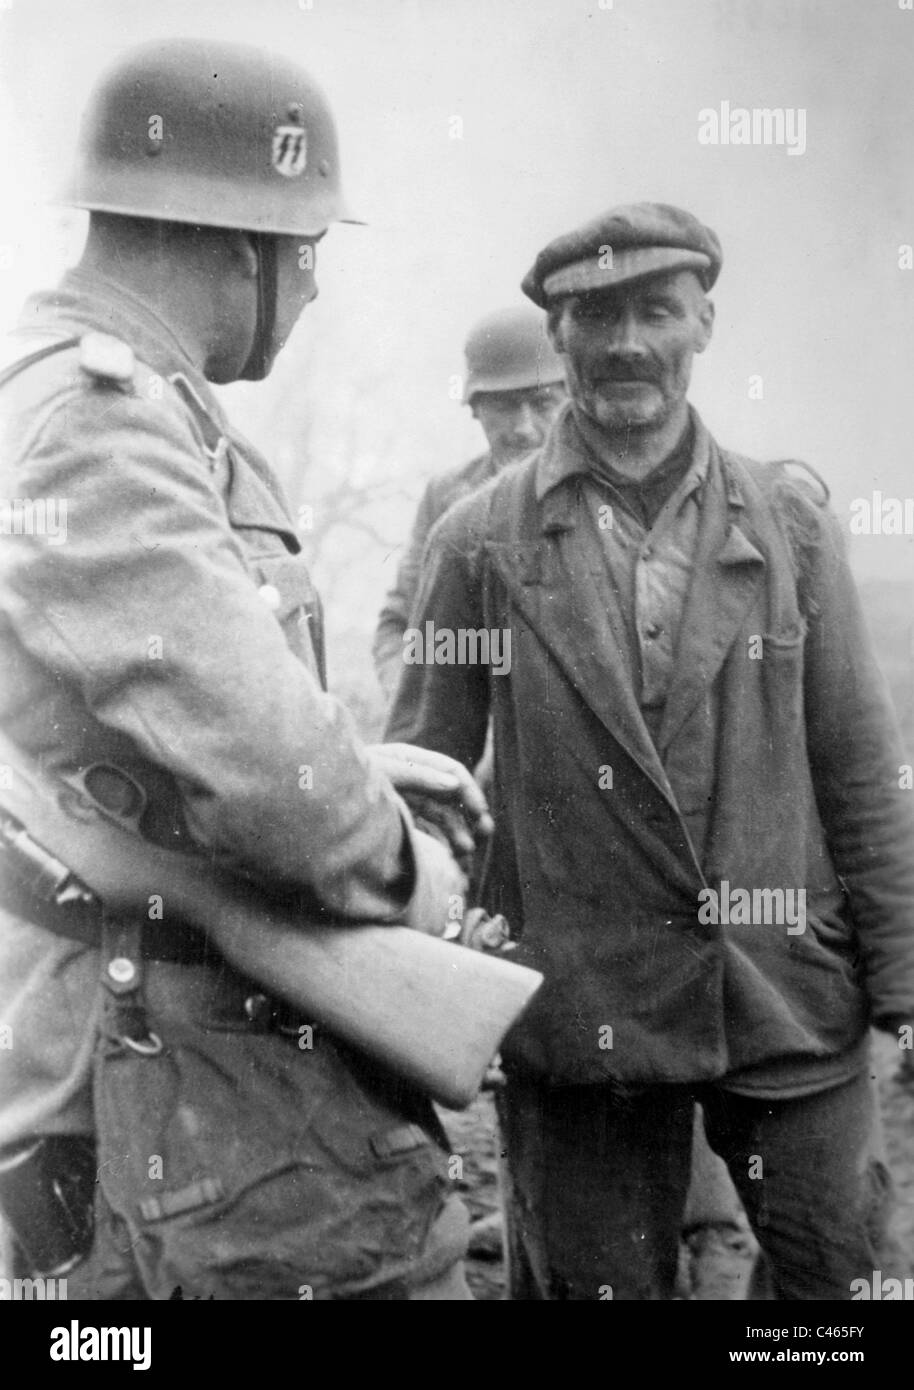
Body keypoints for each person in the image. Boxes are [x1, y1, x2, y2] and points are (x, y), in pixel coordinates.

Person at [0, 38, 491, 1301]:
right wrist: (408, 868)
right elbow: (278, 784)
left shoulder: (94, 405)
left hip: (163, 1063)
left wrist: (350, 758)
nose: (314, 287)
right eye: (306, 249)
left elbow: (121, 715)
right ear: (236, 243)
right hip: (180, 1089)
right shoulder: (99, 428)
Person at [385, 201, 914, 1300]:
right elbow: (421, 786)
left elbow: (859, 768)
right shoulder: (476, 543)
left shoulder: (792, 528)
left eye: (655, 311)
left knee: (835, 1286)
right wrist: (432, 987)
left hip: (783, 993)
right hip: (582, 1015)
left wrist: (905, 981)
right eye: (595, 316)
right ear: (559, 338)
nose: (627, 342)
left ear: (702, 325)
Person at [373, 306, 565, 700]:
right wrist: (412, 704)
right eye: (504, 406)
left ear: (570, 403)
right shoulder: (447, 497)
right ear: (476, 409)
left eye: (542, 404)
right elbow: (400, 625)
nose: (524, 428)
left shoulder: (598, 498)